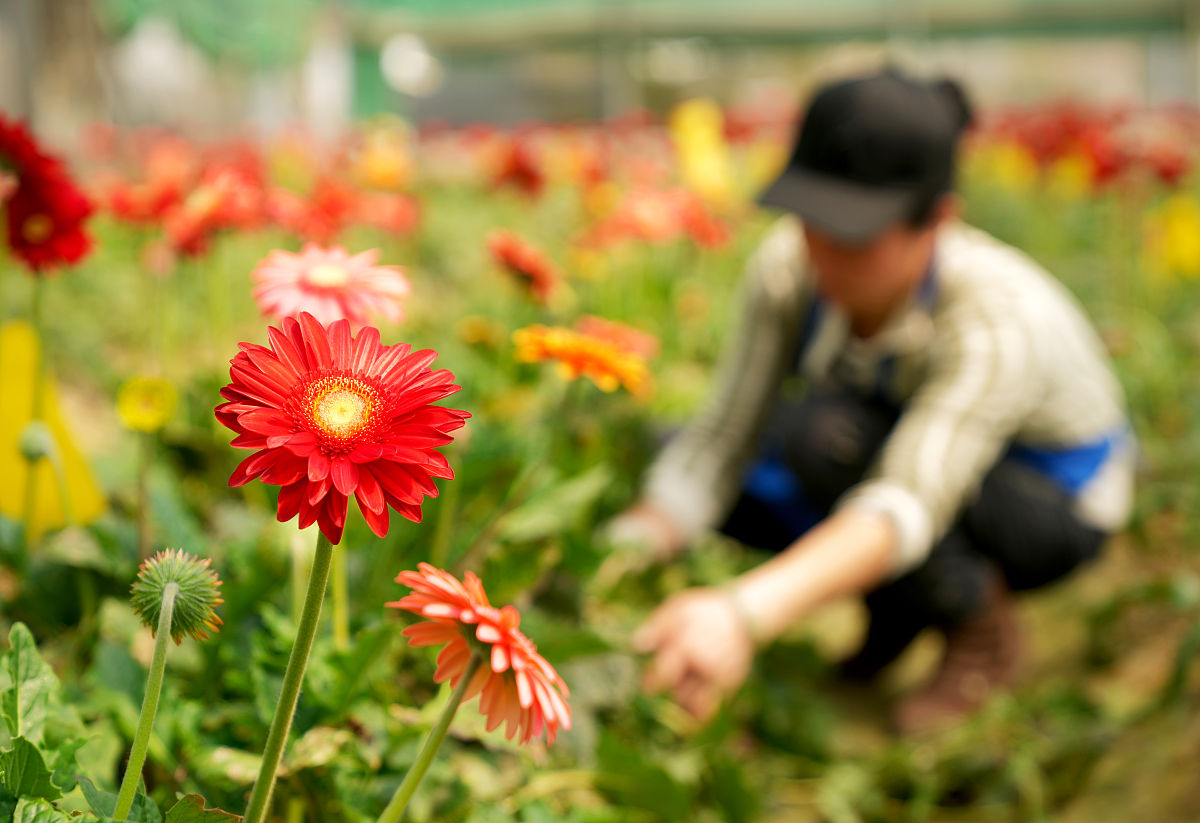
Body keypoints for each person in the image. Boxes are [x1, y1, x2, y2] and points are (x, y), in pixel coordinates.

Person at [606, 68, 1135, 735]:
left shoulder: (997, 316)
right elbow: (721, 438)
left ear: (938, 219)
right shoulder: (787, 272)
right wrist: (624, 549)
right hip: (891, 455)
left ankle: (978, 628)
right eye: (810, 221)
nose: (822, 252)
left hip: (1048, 503)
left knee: (827, 439)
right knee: (674, 449)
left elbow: (910, 498)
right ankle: (898, 609)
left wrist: (740, 613)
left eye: (853, 235)